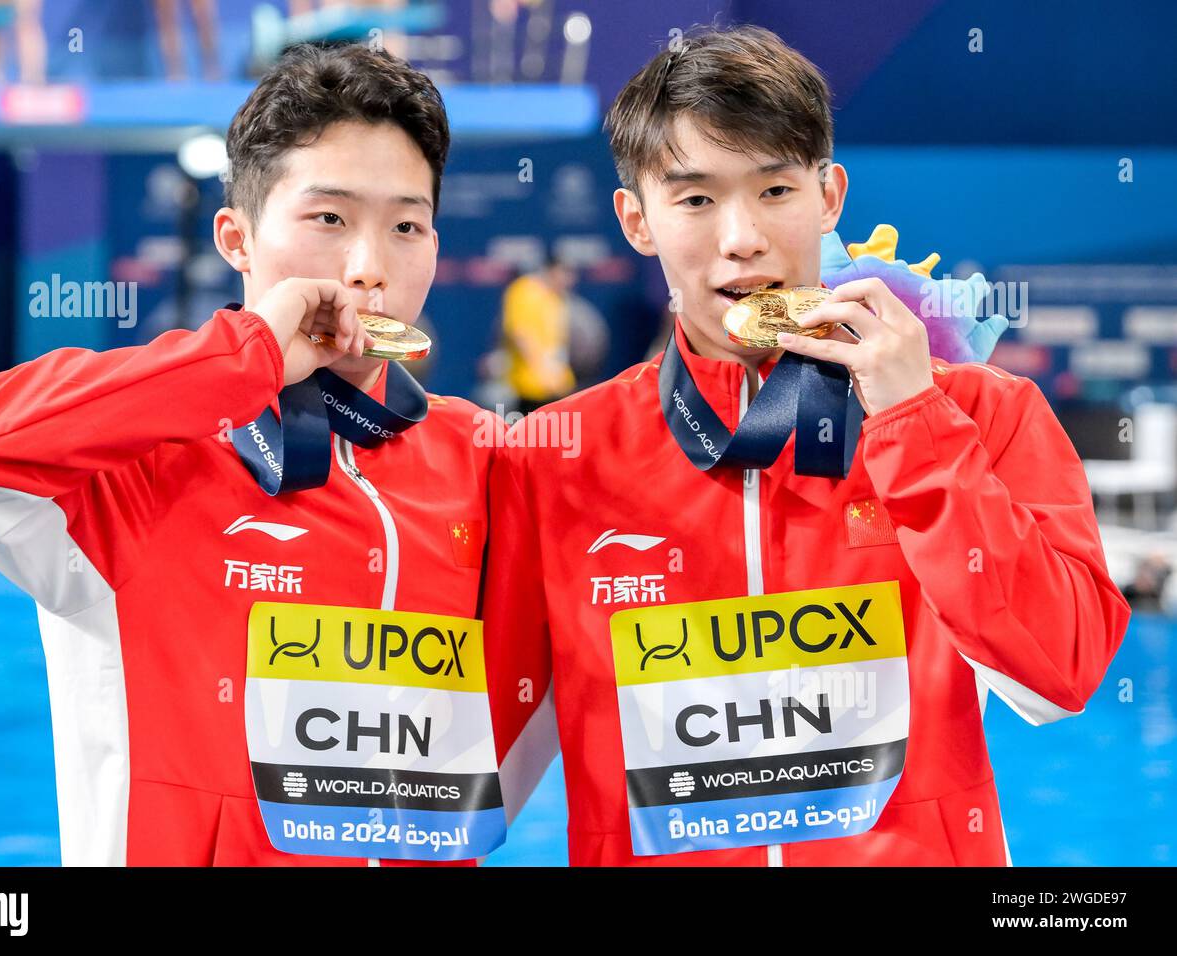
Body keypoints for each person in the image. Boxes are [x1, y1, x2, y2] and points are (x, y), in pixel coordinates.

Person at [482, 25, 1130, 866]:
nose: (742, 236)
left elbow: (1063, 672)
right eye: (696, 198)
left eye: (776, 190)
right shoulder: (555, 458)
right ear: (636, 220)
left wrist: (914, 423)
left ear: (830, 197)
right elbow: (457, 786)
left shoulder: (980, 411)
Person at [0, 42, 505, 867]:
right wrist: (246, 356)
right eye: (329, 218)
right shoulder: (135, 471)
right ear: (236, 238)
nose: (369, 268)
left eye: (406, 226)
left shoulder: (484, 463)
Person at [499, 254, 578, 413]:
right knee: (532, 435)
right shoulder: (524, 291)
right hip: (532, 386)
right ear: (552, 271)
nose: (570, 280)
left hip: (556, 384)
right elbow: (520, 334)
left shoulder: (555, 299)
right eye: (565, 273)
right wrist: (543, 373)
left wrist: (557, 377)